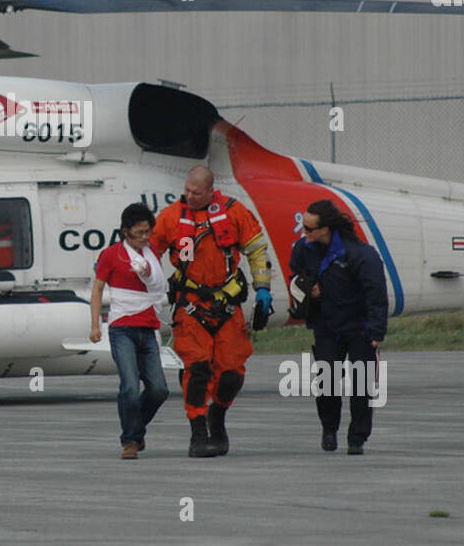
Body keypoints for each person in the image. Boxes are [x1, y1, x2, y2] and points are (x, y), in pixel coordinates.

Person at [150, 165, 272, 457]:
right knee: (197, 369)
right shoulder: (169, 218)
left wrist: (263, 288)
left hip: (227, 304)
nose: (190, 196)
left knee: (231, 372)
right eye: (187, 191)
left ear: (210, 191)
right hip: (190, 306)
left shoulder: (234, 212)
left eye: (196, 192)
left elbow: (256, 251)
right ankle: (198, 431)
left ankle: (218, 415)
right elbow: (149, 254)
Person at [289, 199, 388, 455]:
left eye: (310, 229)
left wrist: (377, 332)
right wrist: (307, 287)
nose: (304, 233)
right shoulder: (303, 249)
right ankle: (329, 428)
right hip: (327, 325)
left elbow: (376, 293)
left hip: (359, 327)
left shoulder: (360, 254)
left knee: (361, 386)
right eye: (303, 227)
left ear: (326, 229)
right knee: (327, 383)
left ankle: (357, 438)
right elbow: (296, 275)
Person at [90, 203, 170, 459]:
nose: (144, 238)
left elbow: (158, 285)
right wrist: (94, 325)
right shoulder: (111, 255)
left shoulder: (152, 253)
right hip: (122, 327)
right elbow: (98, 290)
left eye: (147, 232)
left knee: (159, 389)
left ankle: (136, 428)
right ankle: (130, 441)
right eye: (139, 233)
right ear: (125, 232)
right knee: (130, 387)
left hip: (147, 329)